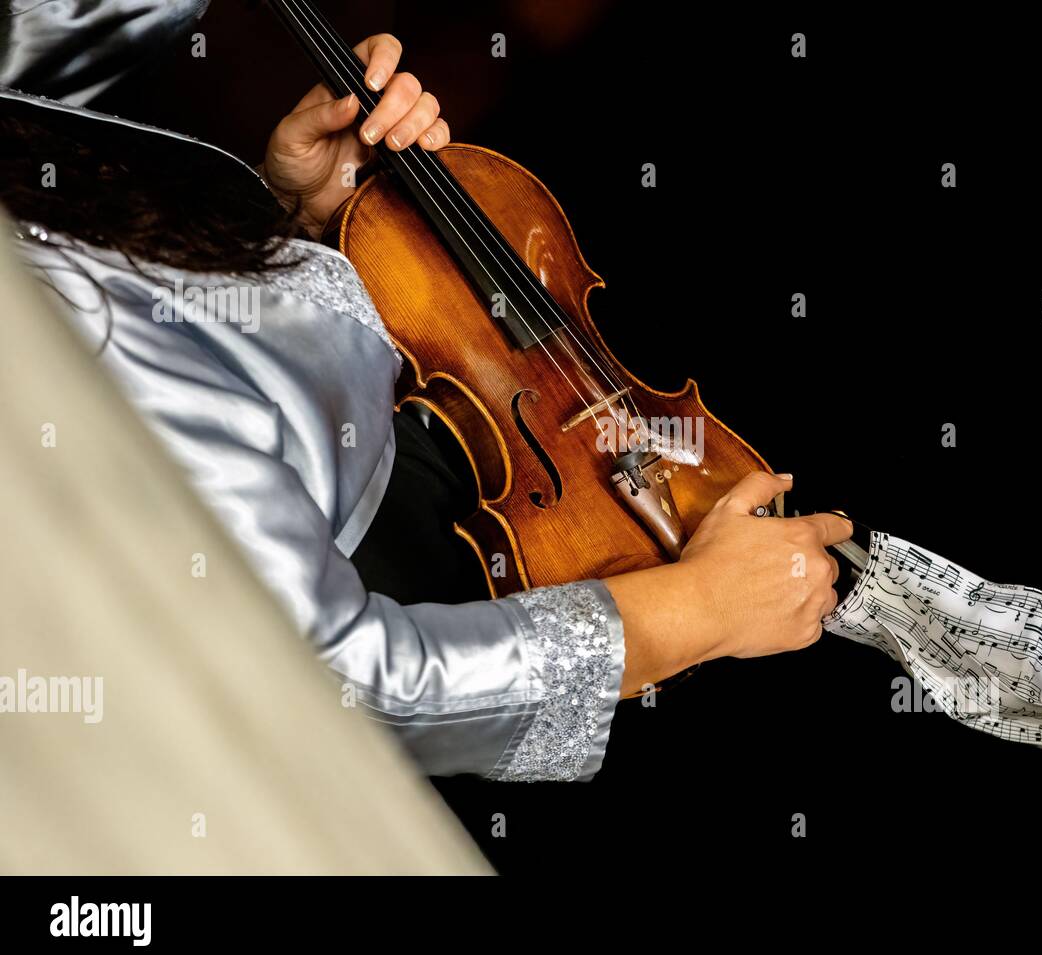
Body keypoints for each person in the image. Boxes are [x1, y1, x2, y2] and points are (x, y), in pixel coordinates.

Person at [1, 5, 851, 781]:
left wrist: (287, 226)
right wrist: (691, 610)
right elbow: (339, 680)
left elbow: (150, 293)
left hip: (433, 451)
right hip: (421, 608)